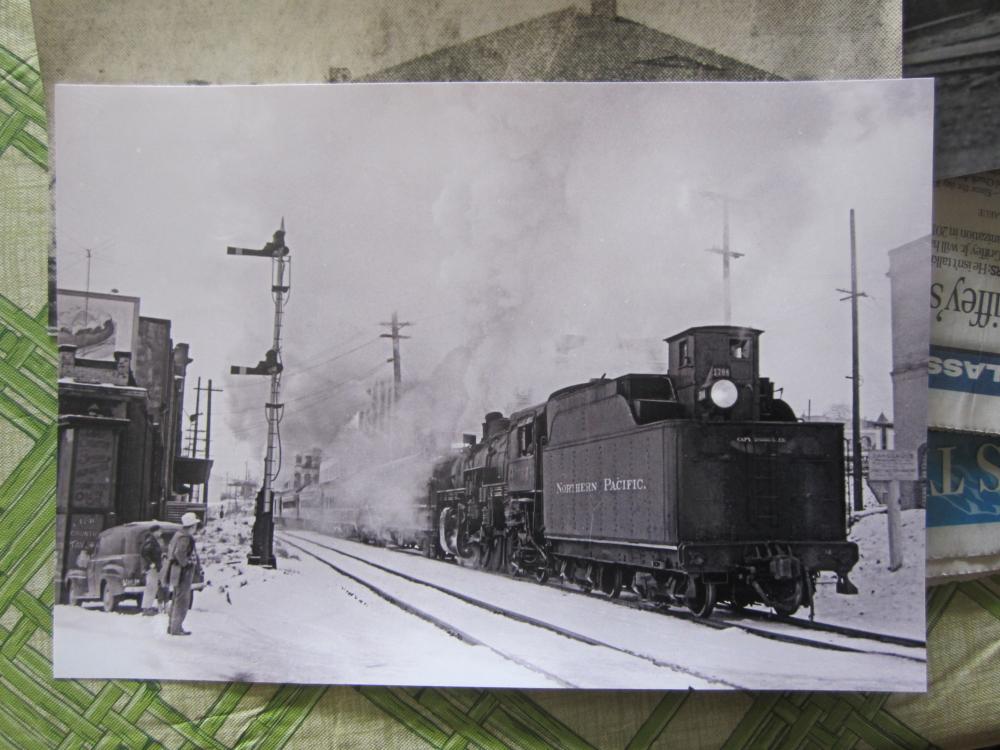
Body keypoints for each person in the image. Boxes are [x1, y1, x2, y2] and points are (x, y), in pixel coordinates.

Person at [164, 512, 200, 636]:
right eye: (195, 525)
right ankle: (176, 628)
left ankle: (172, 626)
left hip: (176, 571)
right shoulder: (185, 538)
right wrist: (187, 563)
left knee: (176, 598)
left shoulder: (178, 535)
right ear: (191, 526)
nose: (196, 528)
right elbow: (180, 554)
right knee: (182, 600)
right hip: (183, 572)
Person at [139, 524, 164, 616]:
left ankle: (148, 607)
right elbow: (144, 553)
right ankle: (146, 608)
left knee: (153, 587)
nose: (161, 532)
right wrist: (151, 563)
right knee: (151, 587)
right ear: (155, 531)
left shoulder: (153, 541)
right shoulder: (150, 541)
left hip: (154, 567)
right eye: (159, 531)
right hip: (151, 568)